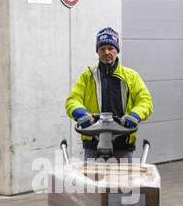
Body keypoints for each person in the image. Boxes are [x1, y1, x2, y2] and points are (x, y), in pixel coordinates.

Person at [64, 27, 153, 161]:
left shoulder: (132, 76)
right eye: (102, 49)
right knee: (92, 181)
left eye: (110, 48)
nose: (107, 52)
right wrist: (81, 114)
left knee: (124, 182)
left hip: (124, 143)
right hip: (93, 145)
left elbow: (145, 101)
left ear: (117, 50)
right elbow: (73, 100)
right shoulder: (87, 77)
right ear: (97, 51)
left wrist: (134, 116)